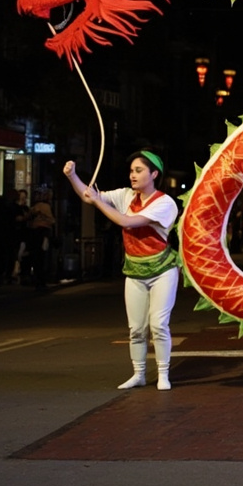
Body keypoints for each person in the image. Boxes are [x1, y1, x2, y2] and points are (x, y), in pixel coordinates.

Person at [64, 152, 179, 390]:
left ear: (154, 174)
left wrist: (98, 201)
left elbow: (127, 222)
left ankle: (164, 373)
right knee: (136, 328)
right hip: (134, 270)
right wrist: (72, 176)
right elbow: (89, 196)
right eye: (131, 171)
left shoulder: (165, 203)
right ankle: (139, 374)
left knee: (158, 324)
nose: (133, 175)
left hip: (162, 270)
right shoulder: (125, 195)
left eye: (139, 170)